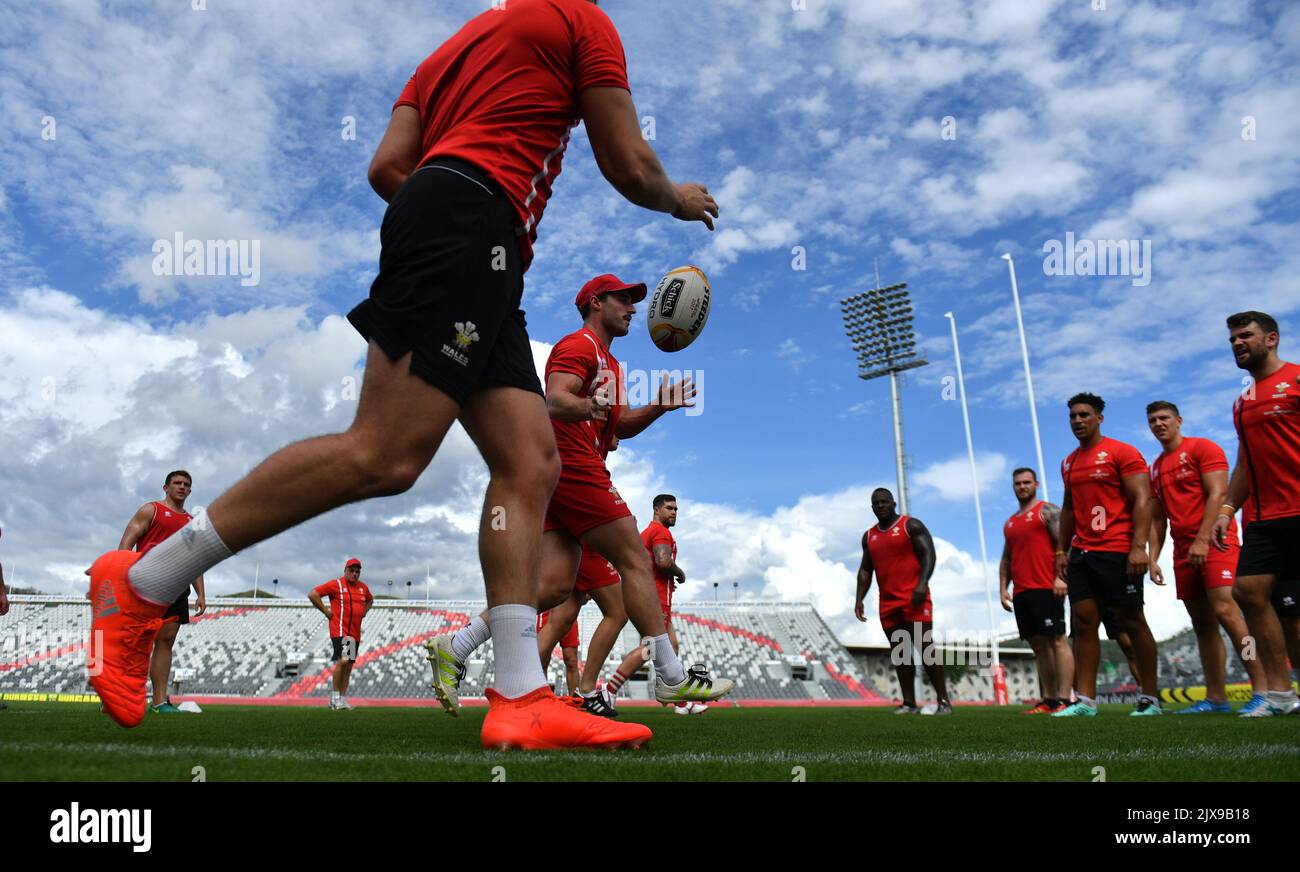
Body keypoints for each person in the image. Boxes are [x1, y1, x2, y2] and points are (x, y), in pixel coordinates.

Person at [84, 0, 718, 748]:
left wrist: (442, 210)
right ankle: (145, 582)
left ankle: (519, 694)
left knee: (530, 461)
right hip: (476, 222)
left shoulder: (447, 54)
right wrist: (677, 199)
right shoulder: (584, 22)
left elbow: (386, 167)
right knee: (385, 454)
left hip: (475, 235)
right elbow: (630, 163)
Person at [430, 277, 734, 716]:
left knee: (552, 587)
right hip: (573, 462)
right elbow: (554, 400)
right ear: (596, 302)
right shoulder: (580, 345)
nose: (633, 309)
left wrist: (657, 407)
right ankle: (670, 676)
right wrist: (585, 407)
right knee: (634, 556)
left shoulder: (610, 361)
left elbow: (620, 425)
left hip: (564, 469)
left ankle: (456, 646)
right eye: (624, 300)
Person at [1145, 400, 1267, 714]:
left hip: (1215, 543)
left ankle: (1264, 689)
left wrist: (1202, 539)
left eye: (1164, 418)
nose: (1159, 424)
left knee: (1228, 612)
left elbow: (1219, 494)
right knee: (1202, 623)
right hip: (1183, 551)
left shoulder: (1203, 448)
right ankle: (1216, 699)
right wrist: (1153, 557)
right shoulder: (1156, 467)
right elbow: (1158, 518)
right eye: (1153, 420)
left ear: (1178, 421)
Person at [1211, 311, 1300, 716]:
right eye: (1232, 339)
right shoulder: (1242, 401)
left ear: (1272, 339)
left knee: (1293, 613)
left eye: (1245, 336)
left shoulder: (1296, 379)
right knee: (1247, 591)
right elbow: (1245, 462)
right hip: (1263, 519)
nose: (1237, 343)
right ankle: (1280, 695)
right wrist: (1227, 509)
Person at [1053, 393, 1162, 717]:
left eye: (1084, 415)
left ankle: (1151, 698)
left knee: (1132, 621)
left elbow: (1143, 500)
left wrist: (1138, 547)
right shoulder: (1069, 461)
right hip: (1082, 553)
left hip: (1117, 550)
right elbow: (1070, 508)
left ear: (1099, 418)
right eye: (1073, 416)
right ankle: (1085, 701)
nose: (1077, 421)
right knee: (1084, 623)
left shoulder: (1122, 452)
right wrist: (1062, 549)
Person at [114, 471, 206, 714]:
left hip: (176, 584)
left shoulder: (192, 522)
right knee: (137, 641)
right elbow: (126, 543)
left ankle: (159, 701)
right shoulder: (151, 510)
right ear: (166, 487)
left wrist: (201, 593)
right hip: (146, 581)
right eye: (177, 483)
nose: (182, 487)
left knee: (165, 640)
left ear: (190, 491)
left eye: (187, 484)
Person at [855, 488, 951, 715]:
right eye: (876, 503)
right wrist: (859, 598)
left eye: (884, 502)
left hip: (915, 598)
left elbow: (929, 555)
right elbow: (865, 570)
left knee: (925, 648)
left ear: (893, 503)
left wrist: (921, 584)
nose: (881, 506)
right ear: (872, 508)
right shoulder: (869, 536)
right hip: (887, 603)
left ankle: (943, 701)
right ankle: (909, 703)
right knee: (900, 653)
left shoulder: (911, 526)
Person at [999, 468, 1072, 714]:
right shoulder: (1010, 522)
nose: (1022, 486)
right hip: (1022, 592)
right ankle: (1049, 699)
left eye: (1027, 482)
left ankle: (1065, 699)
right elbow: (1006, 559)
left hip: (1047, 586)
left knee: (1057, 641)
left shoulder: (1048, 511)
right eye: (1018, 483)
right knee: (1039, 647)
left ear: (1036, 484)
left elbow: (1066, 543)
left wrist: (1062, 578)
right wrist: (1003, 588)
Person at [308, 558, 374, 711]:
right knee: (343, 661)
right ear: (345, 570)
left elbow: (370, 600)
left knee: (349, 665)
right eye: (351, 570)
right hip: (340, 630)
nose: (354, 573)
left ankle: (342, 699)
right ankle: (335, 698)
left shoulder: (363, 588)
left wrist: (364, 611)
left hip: (354, 633)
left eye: (357, 571)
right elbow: (313, 594)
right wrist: (326, 611)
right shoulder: (336, 584)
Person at [537, 603, 582, 697]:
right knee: (543, 660)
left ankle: (575, 702)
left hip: (568, 608)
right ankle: (543, 700)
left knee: (572, 660)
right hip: (547, 609)